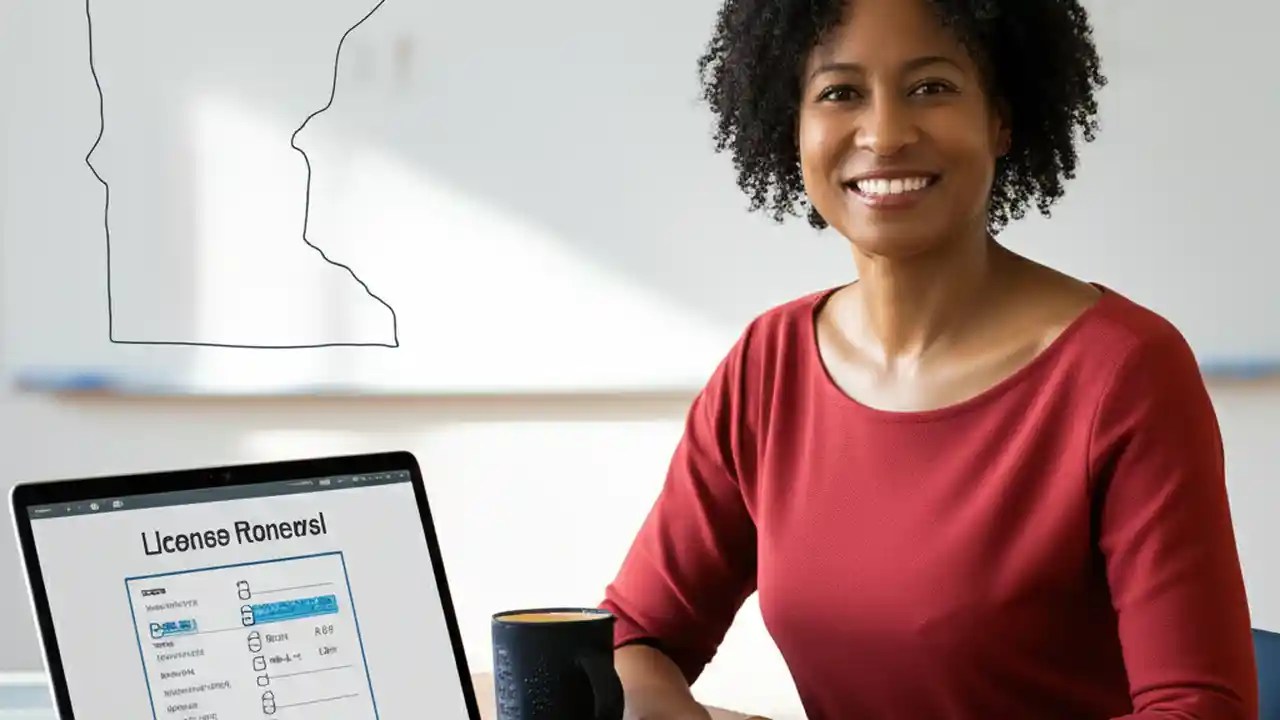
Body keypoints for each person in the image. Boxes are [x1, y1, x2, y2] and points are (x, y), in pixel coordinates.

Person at [598, 0, 1259, 718]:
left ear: (1000, 118)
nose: (885, 134)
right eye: (840, 92)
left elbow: (1200, 708)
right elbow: (633, 641)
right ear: (793, 127)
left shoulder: (1123, 373)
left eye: (931, 88)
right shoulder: (769, 366)